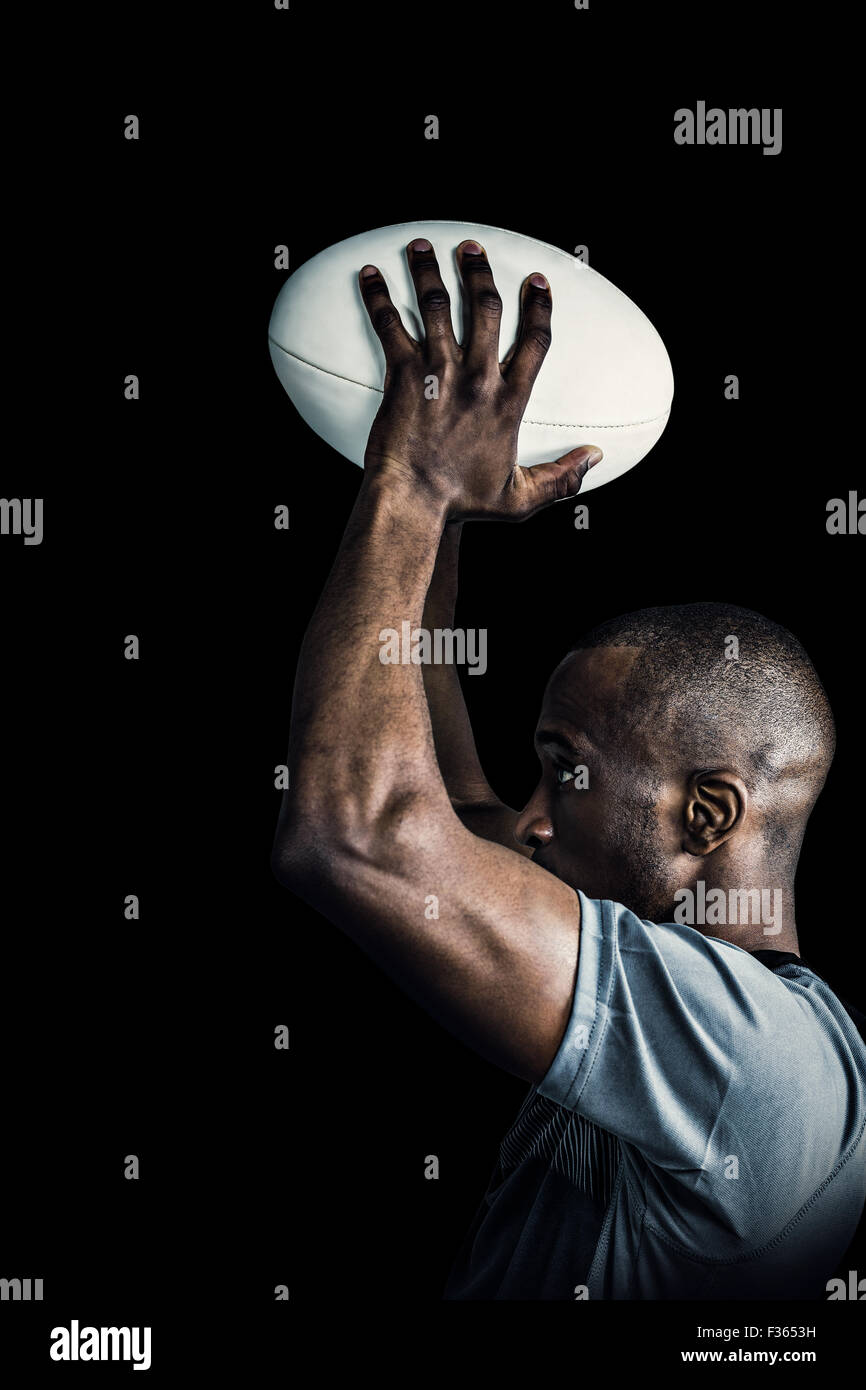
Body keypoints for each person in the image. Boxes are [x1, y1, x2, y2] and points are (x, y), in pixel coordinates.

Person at [272, 237, 866, 1299]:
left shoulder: (754, 1058)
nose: (529, 818)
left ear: (707, 815)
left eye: (567, 772)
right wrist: (446, 511)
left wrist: (405, 481)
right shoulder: (685, 1000)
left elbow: (353, 831)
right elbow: (443, 804)